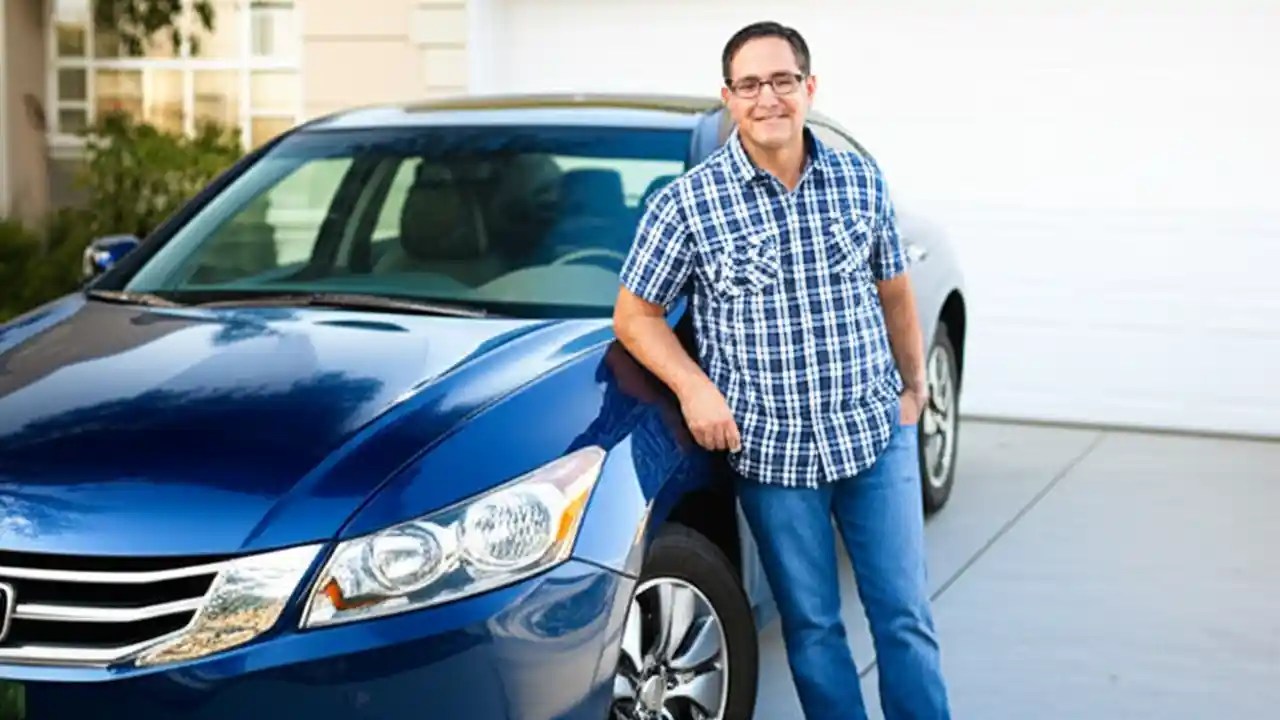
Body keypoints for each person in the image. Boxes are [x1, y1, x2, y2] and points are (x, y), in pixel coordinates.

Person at [611, 20, 952, 720]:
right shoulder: (688, 205)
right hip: (774, 453)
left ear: (809, 88)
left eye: (782, 81)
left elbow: (893, 292)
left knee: (905, 617)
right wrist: (696, 387)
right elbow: (635, 316)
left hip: (872, 432)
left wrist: (913, 386)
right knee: (814, 627)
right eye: (750, 85)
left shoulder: (860, 178)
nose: (768, 98)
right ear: (729, 98)